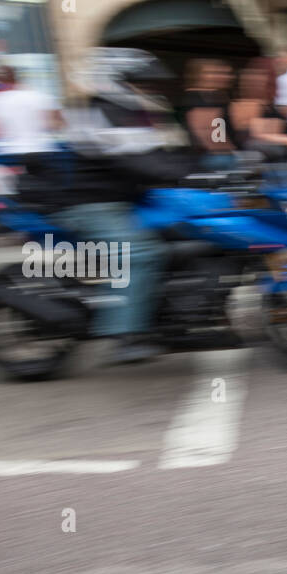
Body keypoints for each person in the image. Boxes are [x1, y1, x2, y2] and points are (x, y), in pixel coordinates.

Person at [37, 48, 193, 363]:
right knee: (141, 251)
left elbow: (162, 157)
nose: (150, 89)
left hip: (120, 198)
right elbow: (140, 163)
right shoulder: (104, 112)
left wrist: (210, 171)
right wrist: (193, 174)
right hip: (89, 202)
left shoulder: (129, 112)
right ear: (116, 81)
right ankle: (125, 335)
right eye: (142, 82)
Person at [181, 58, 236, 171]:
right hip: (211, 158)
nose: (225, 77)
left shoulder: (215, 97)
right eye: (215, 73)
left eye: (227, 74)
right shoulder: (199, 97)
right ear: (198, 75)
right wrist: (228, 151)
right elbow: (207, 131)